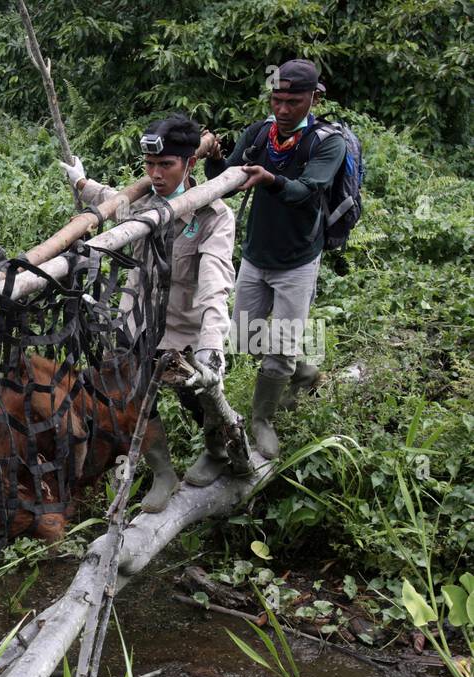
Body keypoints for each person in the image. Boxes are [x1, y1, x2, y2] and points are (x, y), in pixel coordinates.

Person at [58, 113, 238, 510]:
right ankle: (162, 472)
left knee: (201, 399)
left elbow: (214, 286)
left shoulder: (214, 217)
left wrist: (211, 346)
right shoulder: (143, 202)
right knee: (131, 394)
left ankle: (219, 452)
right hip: (137, 322)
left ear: (189, 164)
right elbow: (111, 200)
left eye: (166, 165)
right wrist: (81, 182)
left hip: (186, 328)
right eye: (150, 165)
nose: (156, 174)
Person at [204, 58, 346, 459]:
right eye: (277, 100)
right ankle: (303, 371)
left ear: (314, 98)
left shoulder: (326, 141)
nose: (283, 110)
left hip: (298, 261)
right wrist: (216, 159)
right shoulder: (260, 133)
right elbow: (227, 182)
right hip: (255, 255)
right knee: (245, 338)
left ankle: (261, 419)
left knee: (279, 346)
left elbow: (307, 189)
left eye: (293, 102)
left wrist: (271, 179)